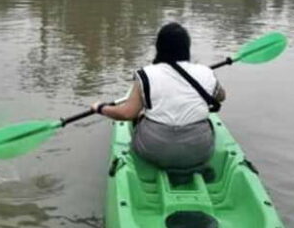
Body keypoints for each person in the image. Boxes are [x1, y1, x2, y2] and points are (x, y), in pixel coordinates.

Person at [91, 22, 225, 171]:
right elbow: (221, 97)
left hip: (154, 151)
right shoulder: (206, 72)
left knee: (140, 115)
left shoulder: (145, 74)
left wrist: (101, 108)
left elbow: (127, 113)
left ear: (159, 47)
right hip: (199, 152)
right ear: (187, 47)